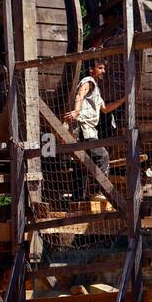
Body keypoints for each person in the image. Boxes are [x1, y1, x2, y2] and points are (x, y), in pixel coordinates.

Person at [64, 59, 124, 199]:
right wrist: (76, 111)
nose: (103, 71)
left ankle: (78, 199)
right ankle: (98, 191)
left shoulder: (96, 89)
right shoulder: (88, 81)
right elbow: (80, 94)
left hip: (87, 129)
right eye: (100, 68)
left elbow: (105, 109)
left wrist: (122, 100)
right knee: (103, 156)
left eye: (103, 68)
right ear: (91, 69)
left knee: (82, 163)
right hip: (84, 127)